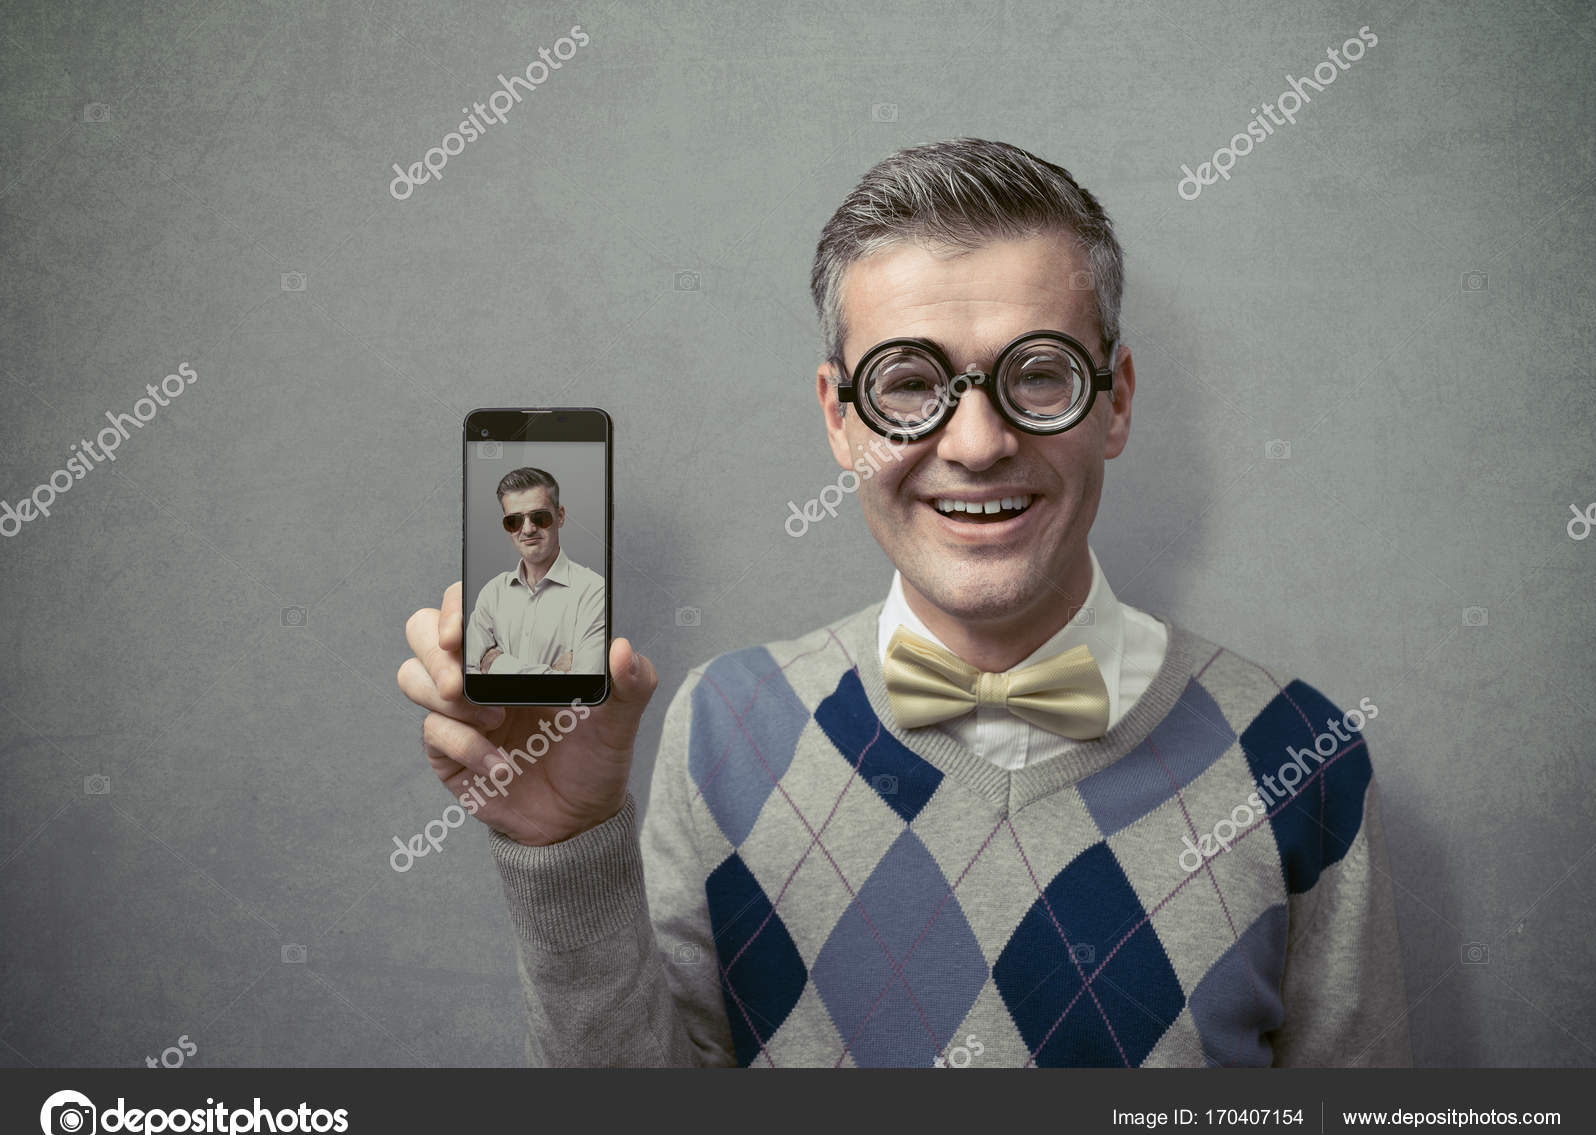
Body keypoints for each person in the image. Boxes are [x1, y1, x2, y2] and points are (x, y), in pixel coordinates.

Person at [398, 138, 1412, 1067]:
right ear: (839, 418)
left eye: (1040, 375)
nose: (976, 444)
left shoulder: (1299, 754)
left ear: (1117, 399)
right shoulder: (721, 728)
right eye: (909, 384)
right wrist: (563, 852)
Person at [464, 466, 606, 676]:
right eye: (514, 521)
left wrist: (495, 664)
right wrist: (556, 673)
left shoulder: (594, 591)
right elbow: (468, 675)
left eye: (539, 517)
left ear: (560, 516)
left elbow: (586, 683)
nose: (528, 529)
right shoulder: (492, 593)